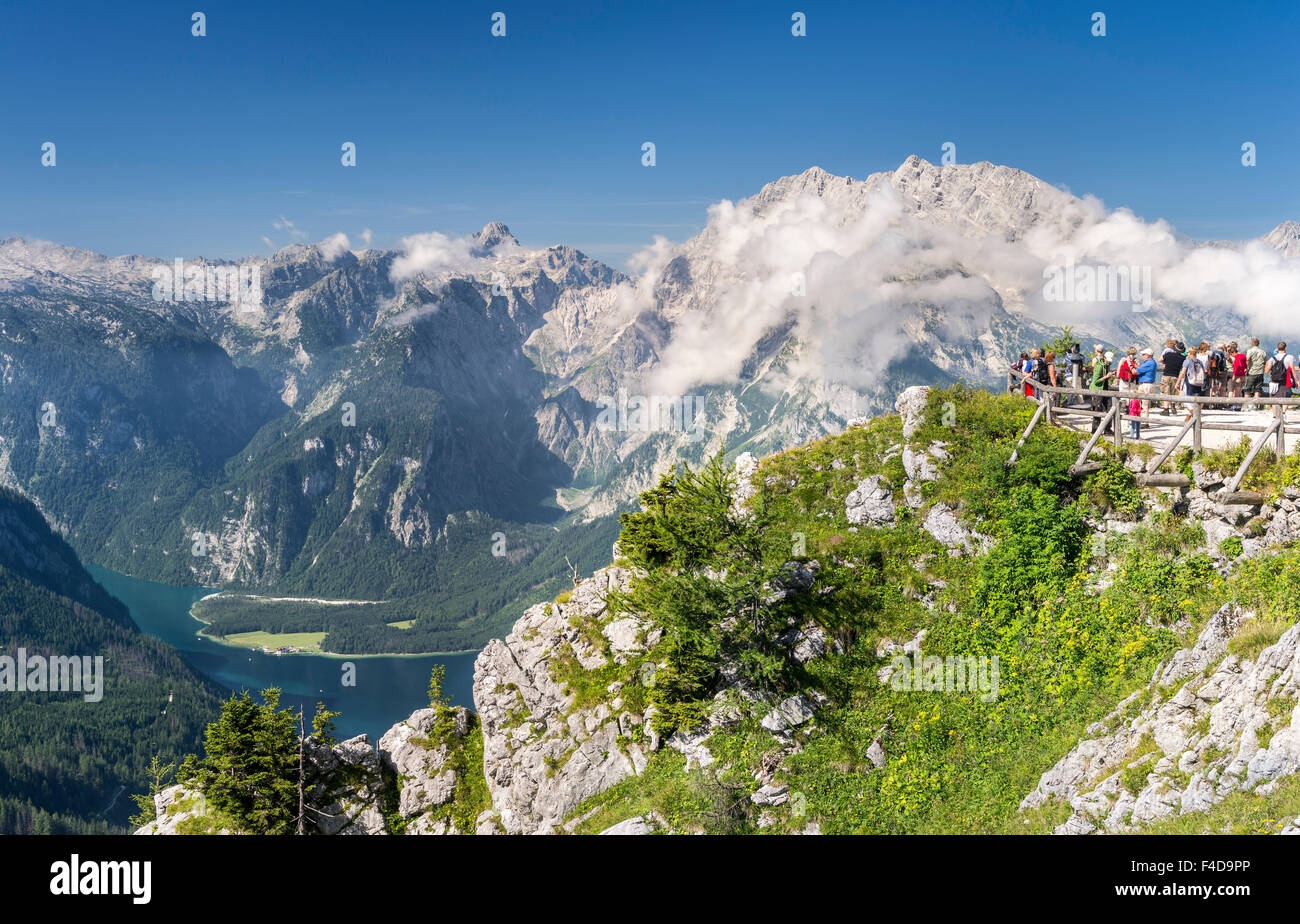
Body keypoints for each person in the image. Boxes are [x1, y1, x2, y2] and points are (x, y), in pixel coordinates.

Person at [1177, 344, 1208, 421]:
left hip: (1189, 382)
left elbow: (1182, 372)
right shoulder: (1200, 362)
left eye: (1188, 352)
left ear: (1190, 353)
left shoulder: (1187, 361)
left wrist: (1177, 382)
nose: (1187, 354)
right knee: (1194, 400)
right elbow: (1204, 374)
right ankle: (1189, 416)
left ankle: (1193, 413)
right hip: (1198, 383)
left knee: (1184, 398)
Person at [1159, 339, 1183, 414]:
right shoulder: (1182, 358)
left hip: (1166, 375)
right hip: (1175, 376)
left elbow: (1160, 360)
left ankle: (1166, 410)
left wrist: (1165, 362)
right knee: (1173, 392)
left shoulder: (1168, 354)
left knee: (1166, 392)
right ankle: (1173, 407)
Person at [1135, 347, 1160, 418]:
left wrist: (1130, 366)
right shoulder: (1151, 362)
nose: (1142, 356)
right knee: (1144, 403)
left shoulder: (1148, 363)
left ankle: (1144, 421)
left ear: (1148, 355)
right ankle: (1143, 419)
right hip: (1147, 384)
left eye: (1144, 354)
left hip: (1145, 384)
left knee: (1144, 404)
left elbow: (1136, 372)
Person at [1245, 337, 1267, 407]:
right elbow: (1265, 362)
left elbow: (1247, 359)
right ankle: (1255, 406)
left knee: (1247, 389)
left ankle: (1246, 405)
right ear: (1258, 344)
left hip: (1252, 372)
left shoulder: (1250, 351)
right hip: (1260, 372)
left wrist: (1246, 368)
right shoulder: (1263, 352)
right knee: (1257, 389)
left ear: (1252, 343)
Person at [1230, 341, 1246, 409]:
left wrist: (1234, 375)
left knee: (1236, 391)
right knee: (1240, 391)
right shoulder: (1243, 356)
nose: (1232, 356)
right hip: (1243, 376)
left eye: (1231, 354)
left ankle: (1236, 406)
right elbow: (1245, 365)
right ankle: (1239, 405)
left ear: (1233, 352)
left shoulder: (1237, 358)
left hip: (1238, 376)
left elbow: (1237, 367)